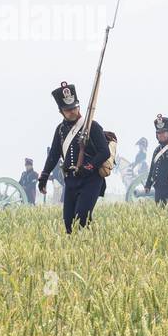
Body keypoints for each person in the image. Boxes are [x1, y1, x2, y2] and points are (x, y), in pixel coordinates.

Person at [39, 82, 110, 234]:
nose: (72, 111)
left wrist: (89, 167)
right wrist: (44, 175)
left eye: (74, 108)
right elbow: (54, 154)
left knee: (82, 218)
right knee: (69, 224)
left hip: (91, 180)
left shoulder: (92, 126)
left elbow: (104, 152)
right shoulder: (60, 130)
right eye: (68, 110)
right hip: (70, 180)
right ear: (61, 112)